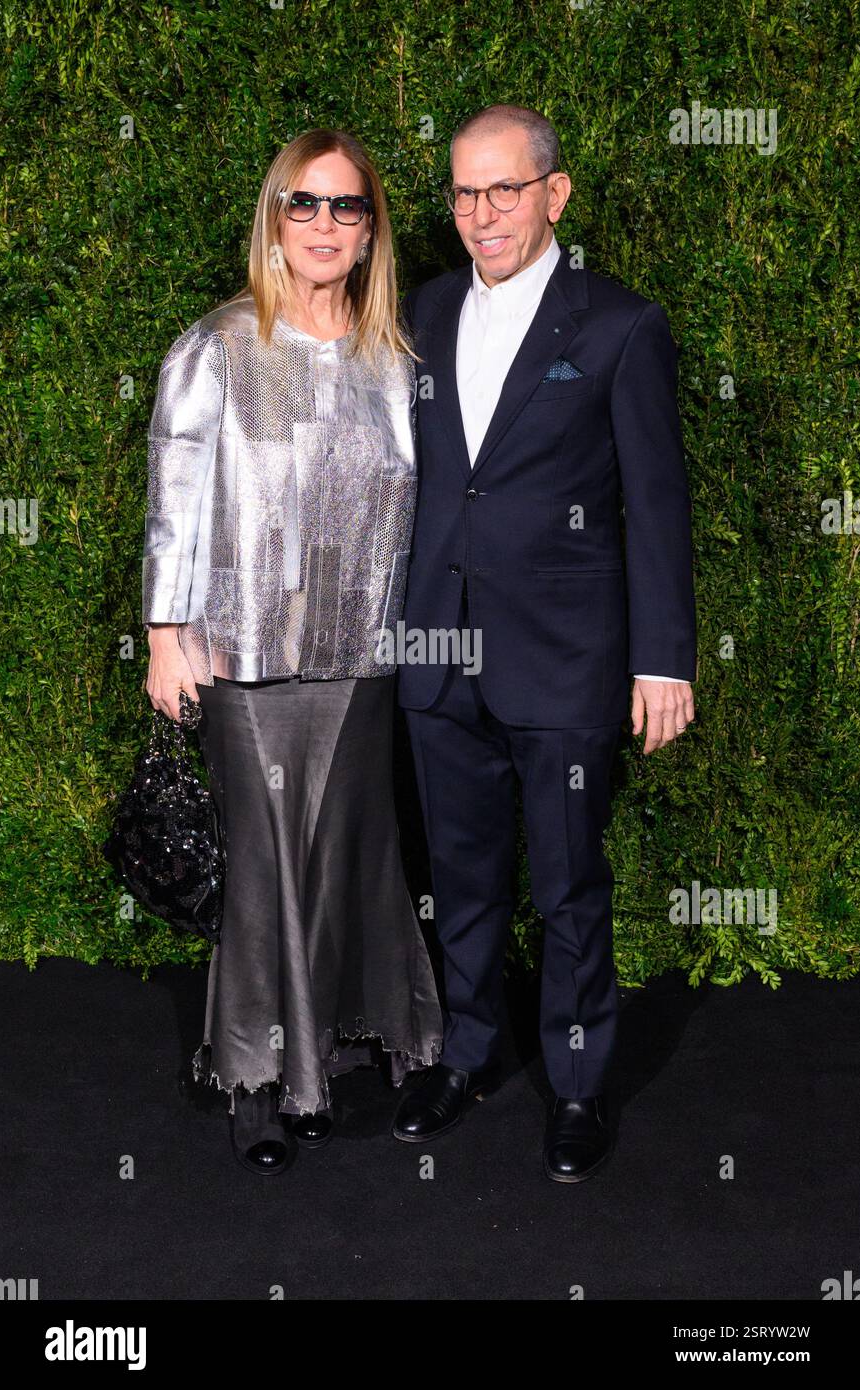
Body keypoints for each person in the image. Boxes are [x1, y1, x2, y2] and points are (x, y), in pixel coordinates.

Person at [392, 104, 697, 1182]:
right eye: (465, 193)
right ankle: (466, 1053)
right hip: (439, 647)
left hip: (566, 658)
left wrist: (662, 658)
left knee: (568, 884)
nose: (481, 214)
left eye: (504, 190)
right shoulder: (422, 311)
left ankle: (575, 1083)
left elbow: (656, 505)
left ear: (554, 194)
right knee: (460, 876)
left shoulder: (618, 324)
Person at [141, 129, 443, 1176]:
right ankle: (261, 1080)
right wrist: (164, 633)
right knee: (267, 867)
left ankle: (360, 1042)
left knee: (358, 853)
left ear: (370, 231)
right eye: (302, 204)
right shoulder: (216, 346)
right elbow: (177, 501)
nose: (323, 225)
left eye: (344, 207)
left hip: (363, 655)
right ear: (273, 218)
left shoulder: (395, 358)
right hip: (245, 655)